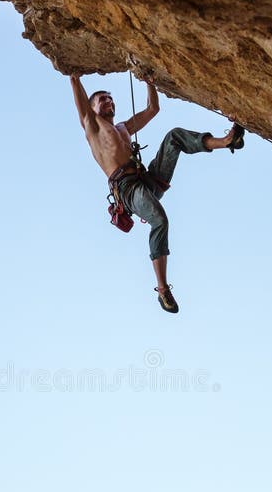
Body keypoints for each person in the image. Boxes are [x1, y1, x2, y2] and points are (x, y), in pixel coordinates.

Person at [70, 74, 245, 313]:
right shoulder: (92, 127)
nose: (109, 101)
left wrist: (148, 81)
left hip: (147, 179)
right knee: (160, 220)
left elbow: (153, 109)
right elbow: (78, 95)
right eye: (102, 99)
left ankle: (227, 141)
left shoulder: (123, 128)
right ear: (92, 108)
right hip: (129, 190)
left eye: (111, 98)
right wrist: (75, 77)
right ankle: (163, 290)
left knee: (174, 137)